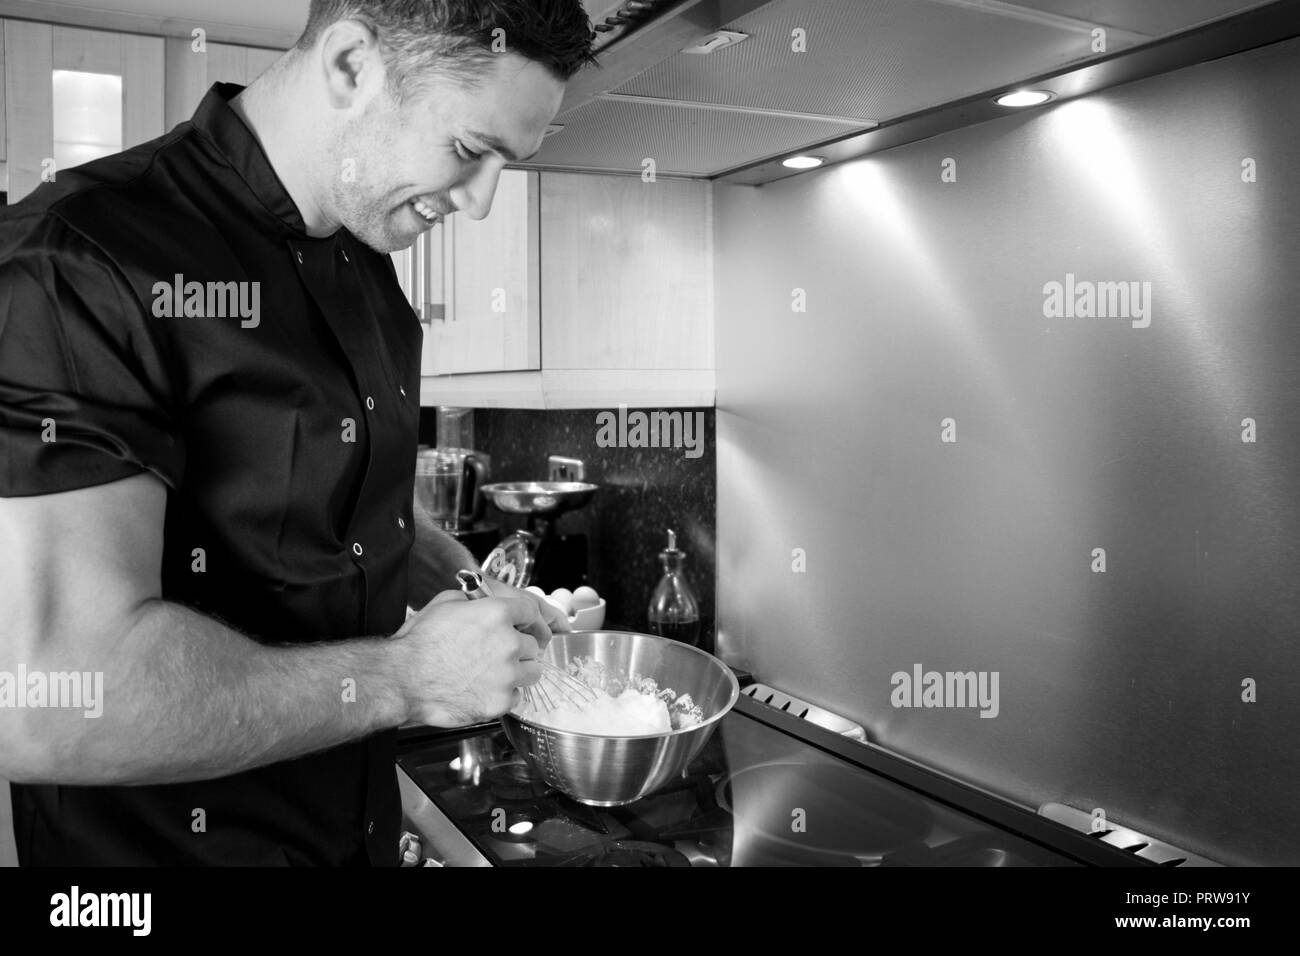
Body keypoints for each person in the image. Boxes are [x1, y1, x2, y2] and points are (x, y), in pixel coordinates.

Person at [0, 0, 597, 865]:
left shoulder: (370, 266)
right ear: (353, 63)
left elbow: (332, 502)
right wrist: (409, 676)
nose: (479, 205)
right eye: (469, 151)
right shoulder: (81, 261)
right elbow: (54, 701)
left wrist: (469, 586)